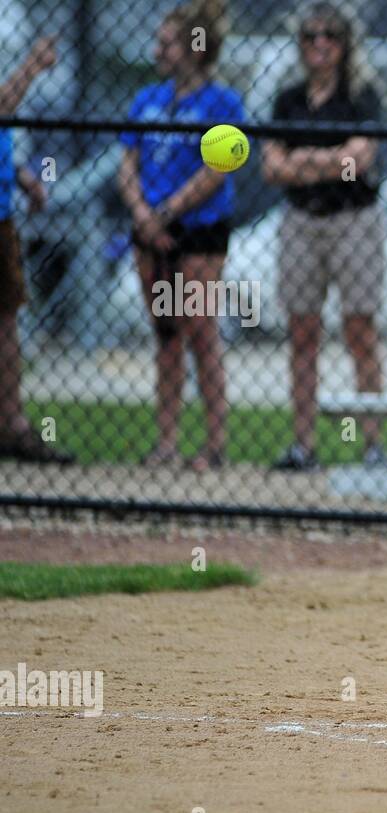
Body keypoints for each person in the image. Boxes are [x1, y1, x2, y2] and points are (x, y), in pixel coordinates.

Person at [118, 0, 243, 472]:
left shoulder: (222, 102)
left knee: (201, 331)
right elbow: (127, 162)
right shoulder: (147, 99)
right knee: (165, 334)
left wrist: (167, 211)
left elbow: (217, 171)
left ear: (196, 47)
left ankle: (214, 445)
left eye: (167, 42)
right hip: (149, 230)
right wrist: (142, 214)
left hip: (198, 230)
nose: (158, 50)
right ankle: (166, 442)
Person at [262, 1, 387, 470]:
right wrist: (328, 161)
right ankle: (303, 445)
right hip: (301, 220)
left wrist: (304, 163)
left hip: (353, 219)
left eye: (329, 36)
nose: (319, 44)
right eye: (310, 36)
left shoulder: (361, 94)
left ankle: (372, 444)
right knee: (302, 331)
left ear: (344, 43)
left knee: (360, 329)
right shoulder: (288, 98)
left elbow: (360, 160)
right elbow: (271, 167)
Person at [0, 35, 70, 464]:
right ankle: (12, 423)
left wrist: (22, 176)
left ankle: (11, 424)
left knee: (7, 321)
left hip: (2, 213)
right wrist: (32, 66)